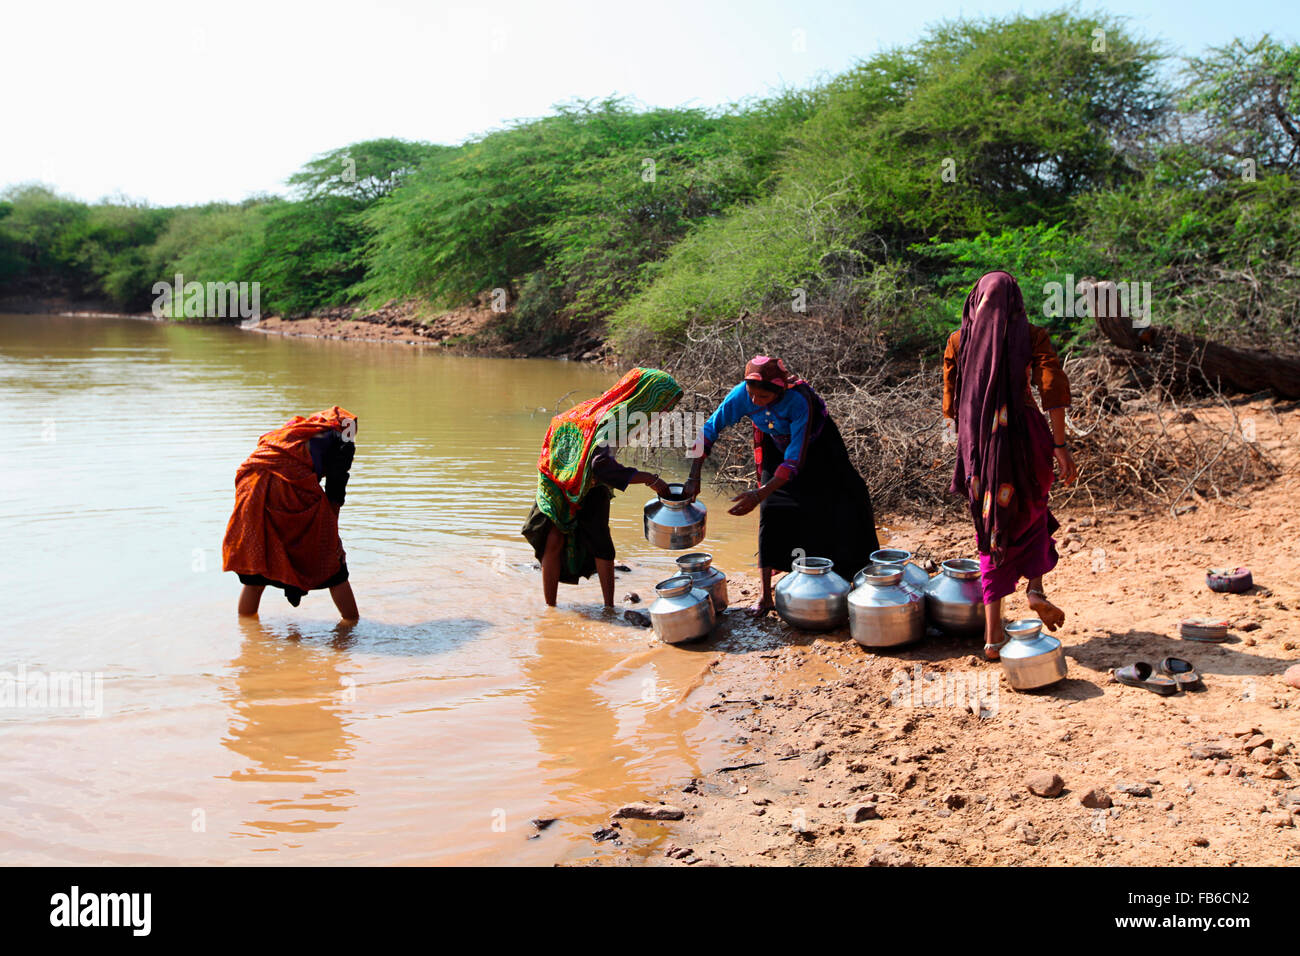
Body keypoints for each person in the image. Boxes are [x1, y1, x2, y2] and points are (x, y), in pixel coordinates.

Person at [942, 271, 1079, 660]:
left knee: (990, 528)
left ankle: (992, 636)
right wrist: (1060, 446)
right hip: (1026, 442)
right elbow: (1051, 390)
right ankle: (1035, 590)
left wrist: (975, 447)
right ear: (1017, 299)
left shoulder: (958, 340)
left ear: (976, 299)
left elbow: (952, 407)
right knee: (1032, 514)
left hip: (981, 450)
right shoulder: (1032, 336)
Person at [684, 355, 880, 615]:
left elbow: (794, 460)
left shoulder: (799, 401)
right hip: (775, 442)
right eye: (751, 395)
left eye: (762, 397)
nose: (754, 401)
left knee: (844, 502)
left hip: (819, 446)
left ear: (778, 391)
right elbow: (710, 429)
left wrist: (759, 493)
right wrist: (693, 476)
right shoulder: (742, 394)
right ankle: (766, 597)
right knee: (771, 511)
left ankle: (852, 578)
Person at [522, 368, 683, 608]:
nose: (664, 412)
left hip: (574, 478)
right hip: (560, 477)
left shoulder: (611, 411)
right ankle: (570, 611)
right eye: (663, 404)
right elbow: (601, 466)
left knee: (570, 540)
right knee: (572, 540)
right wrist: (652, 479)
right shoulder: (613, 418)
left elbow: (598, 461)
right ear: (647, 397)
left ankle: (581, 609)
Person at [222, 406, 360, 621]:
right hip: (283, 487)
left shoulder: (295, 429)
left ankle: (247, 634)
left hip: (250, 492)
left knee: (257, 569)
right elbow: (336, 487)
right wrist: (330, 533)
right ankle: (351, 625)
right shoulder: (344, 439)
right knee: (333, 566)